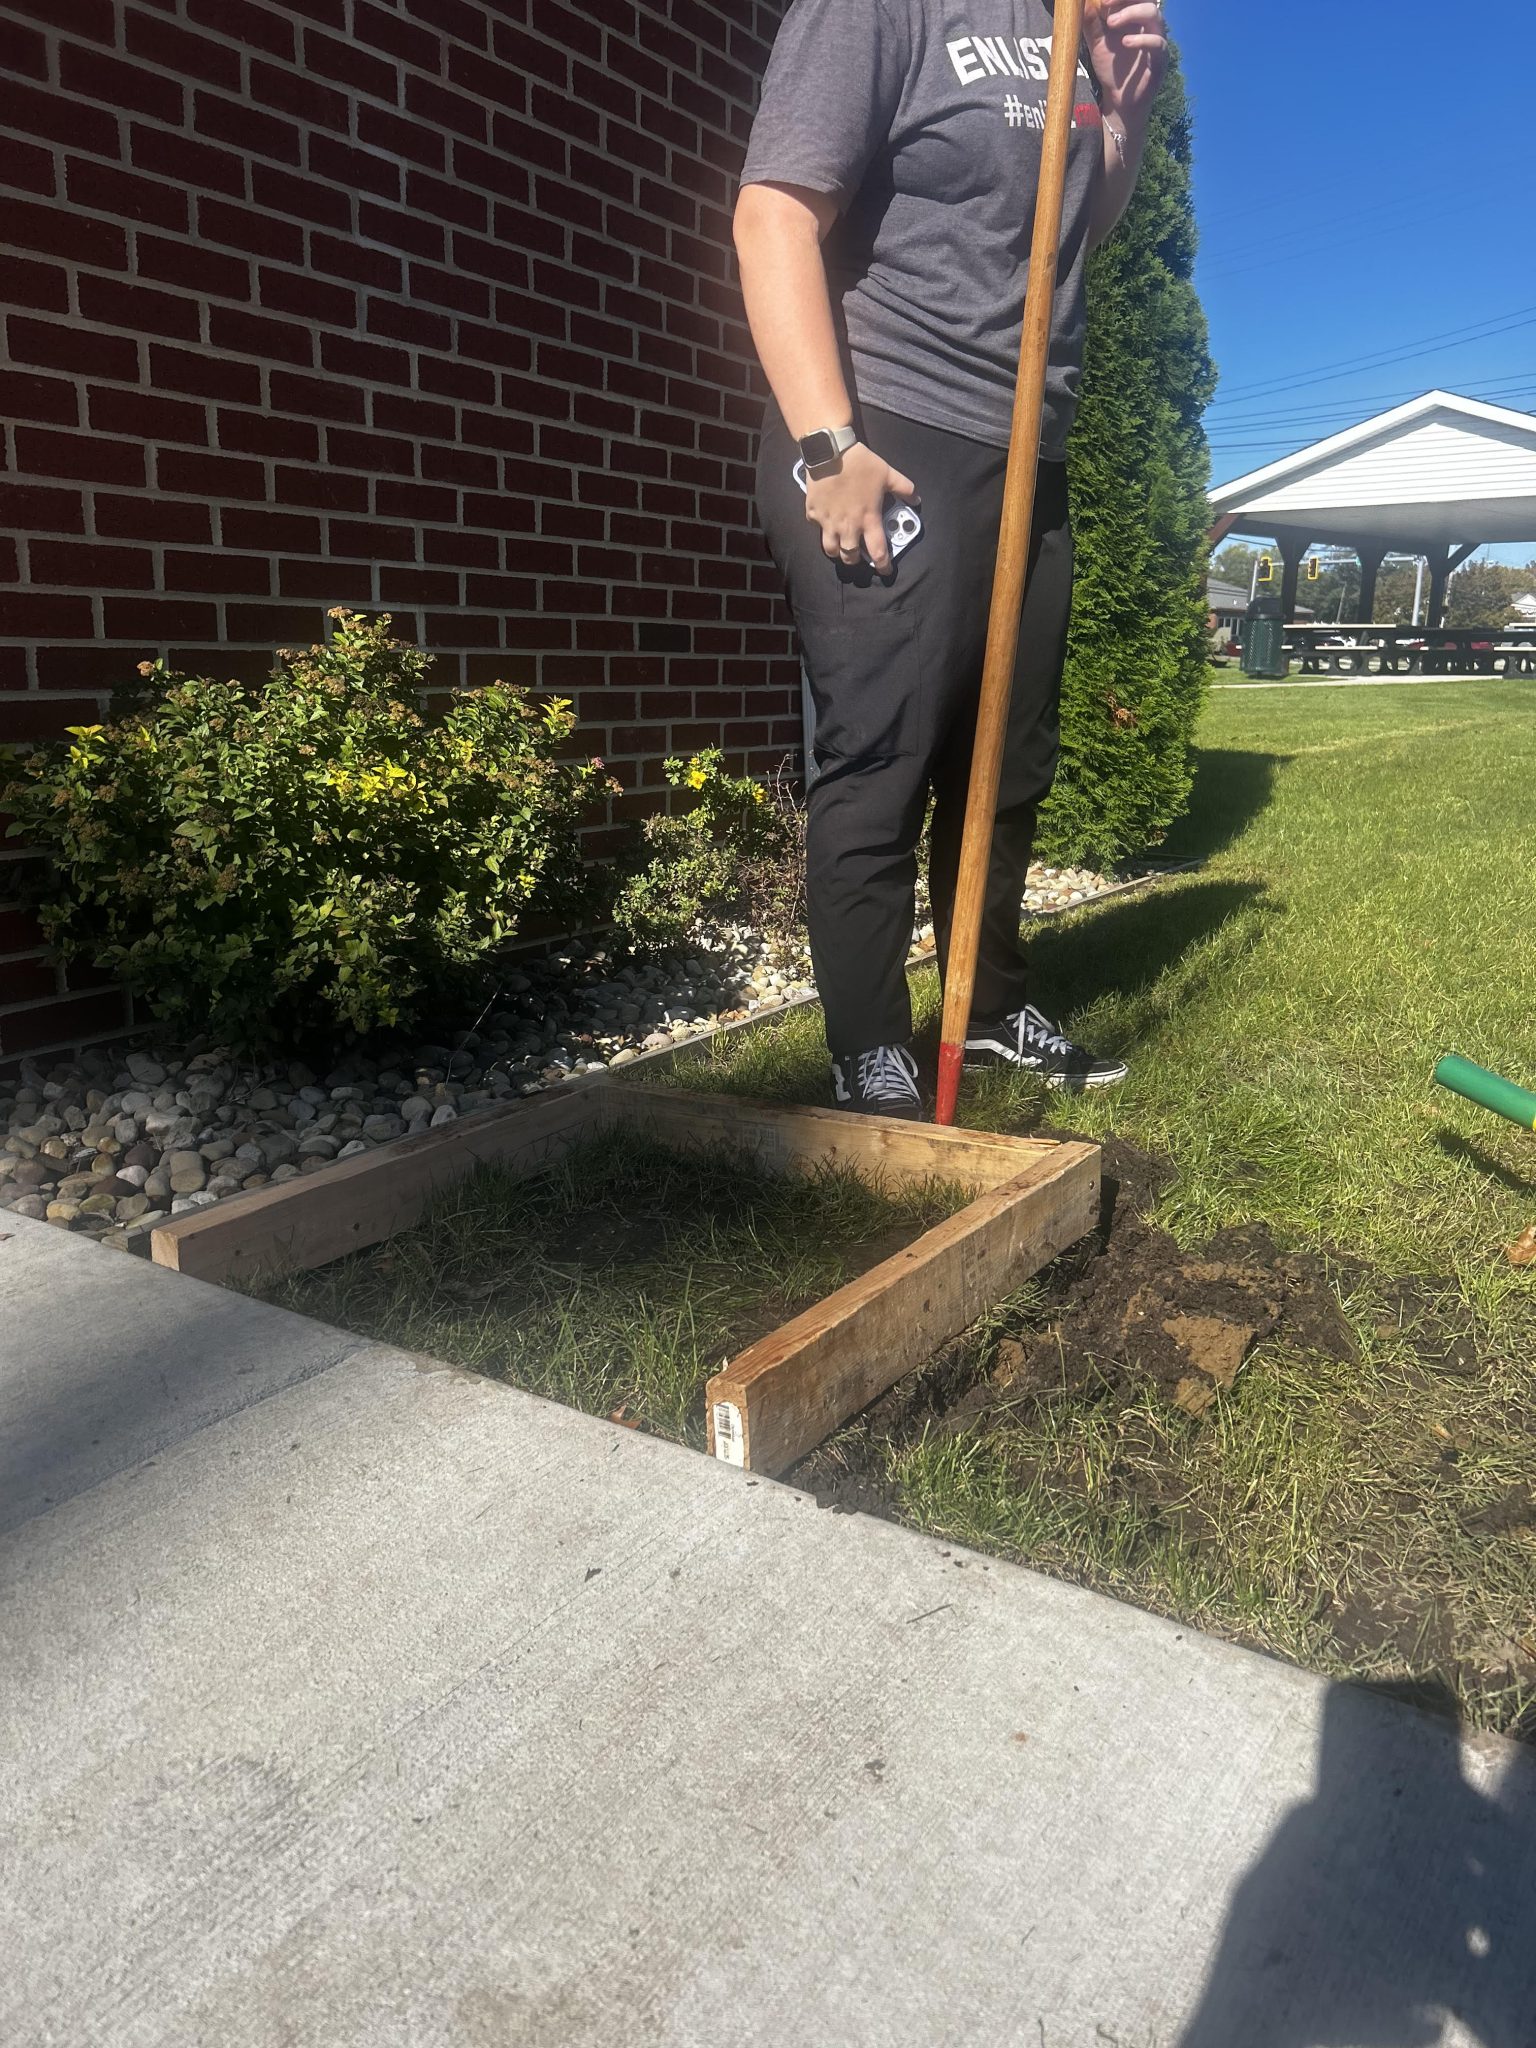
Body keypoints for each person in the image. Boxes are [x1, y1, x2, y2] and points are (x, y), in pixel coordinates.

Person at [735, 0, 1170, 1118]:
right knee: (880, 756)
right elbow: (773, 215)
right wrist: (832, 444)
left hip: (1027, 447)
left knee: (1007, 759)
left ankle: (982, 1008)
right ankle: (871, 1048)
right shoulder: (884, 7)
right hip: (882, 431)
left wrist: (1126, 114)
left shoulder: (1065, 24)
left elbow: (1079, 228)